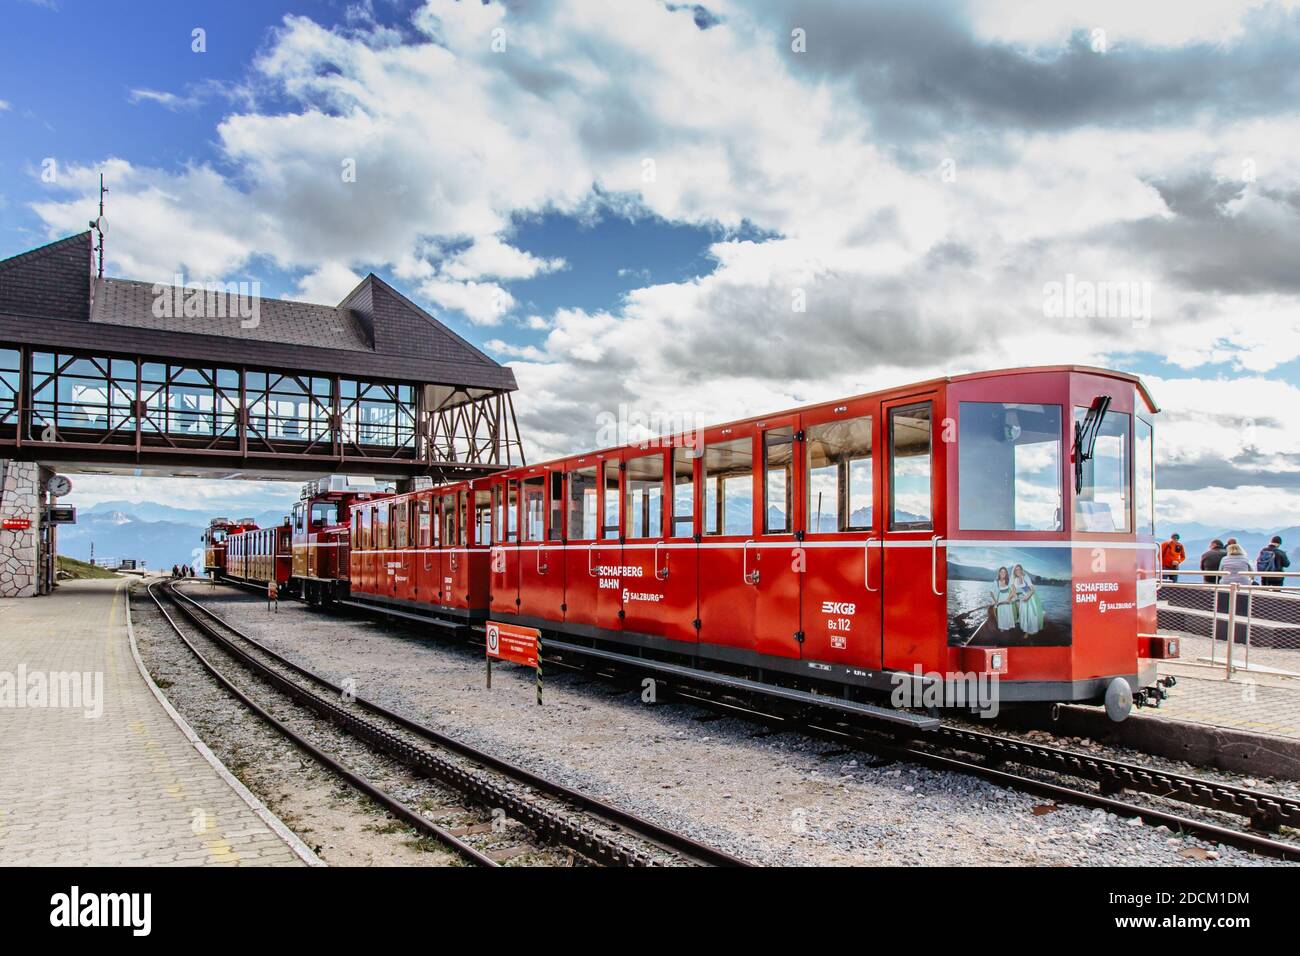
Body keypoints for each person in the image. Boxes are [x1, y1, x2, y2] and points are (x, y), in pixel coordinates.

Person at [1011, 564, 1044, 636]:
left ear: (1021, 570)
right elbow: (1014, 591)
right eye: (1016, 569)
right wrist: (1016, 598)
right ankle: (1026, 629)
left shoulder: (1025, 577)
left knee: (1030, 613)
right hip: (1023, 596)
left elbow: (1033, 589)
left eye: (1019, 569)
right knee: (1023, 613)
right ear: (1014, 571)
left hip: (1031, 596)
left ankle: (1031, 630)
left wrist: (1027, 597)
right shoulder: (1016, 580)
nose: (1018, 571)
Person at [989, 567, 1017, 631]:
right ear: (999, 573)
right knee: (1001, 614)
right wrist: (996, 601)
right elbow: (991, 592)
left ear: (1006, 573)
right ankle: (1002, 628)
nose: (1003, 573)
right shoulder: (996, 581)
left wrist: (1008, 599)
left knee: (1007, 613)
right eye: (1001, 572)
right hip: (1000, 600)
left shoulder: (1009, 580)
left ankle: (1008, 627)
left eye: (1004, 572)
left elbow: (1013, 590)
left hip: (1007, 600)